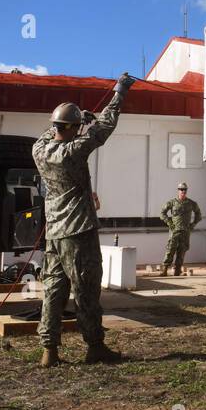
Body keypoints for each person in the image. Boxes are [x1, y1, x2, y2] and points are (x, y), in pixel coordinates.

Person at [32, 73, 134, 368]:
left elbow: (50, 132)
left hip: (54, 233)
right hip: (78, 230)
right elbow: (104, 127)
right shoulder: (73, 151)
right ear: (74, 129)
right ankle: (95, 346)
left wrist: (77, 120)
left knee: (53, 289)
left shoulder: (40, 149)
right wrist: (120, 92)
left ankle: (49, 351)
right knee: (86, 289)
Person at [159, 182, 201, 276]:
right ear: (178, 190)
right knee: (170, 249)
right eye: (181, 189)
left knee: (182, 250)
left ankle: (177, 270)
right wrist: (169, 223)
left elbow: (198, 214)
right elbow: (162, 213)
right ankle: (165, 269)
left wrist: (192, 224)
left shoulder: (191, 203)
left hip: (185, 231)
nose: (183, 191)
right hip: (174, 231)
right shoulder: (172, 202)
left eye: (184, 189)